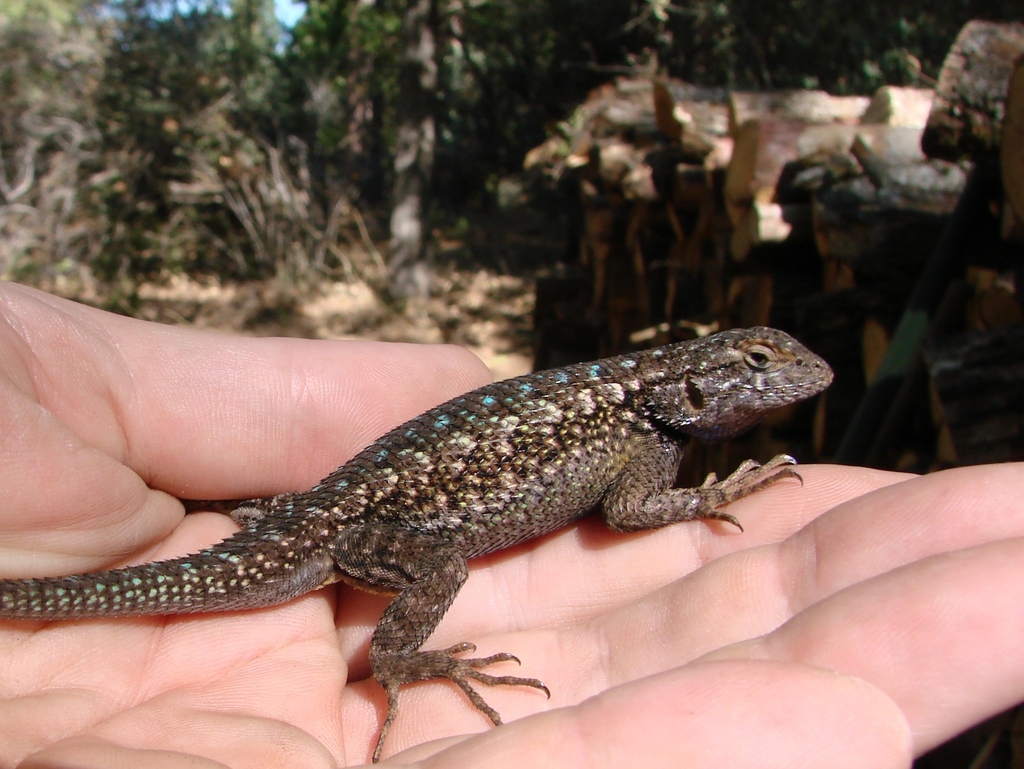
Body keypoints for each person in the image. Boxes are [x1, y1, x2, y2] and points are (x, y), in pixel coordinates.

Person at [0, 280, 1019, 768]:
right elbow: (627, 512)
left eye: (773, 365)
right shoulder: (629, 423)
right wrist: (706, 502)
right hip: (334, 534)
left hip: (325, 514)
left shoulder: (636, 414)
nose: (789, 380)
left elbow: (623, 502)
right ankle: (398, 658)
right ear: (703, 378)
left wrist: (699, 490)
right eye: (757, 367)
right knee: (436, 562)